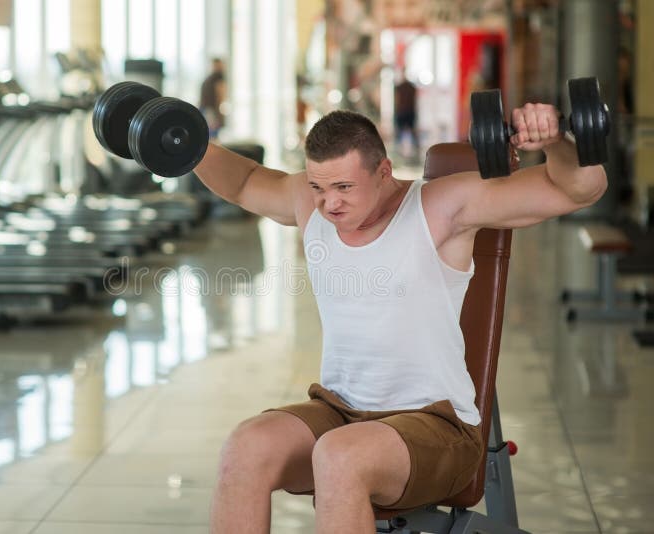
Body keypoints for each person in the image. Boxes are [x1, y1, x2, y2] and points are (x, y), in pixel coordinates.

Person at [193, 103, 607, 533]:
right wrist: (184, 142)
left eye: (344, 187)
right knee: (245, 448)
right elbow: (243, 182)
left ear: (384, 171)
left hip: (437, 426)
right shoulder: (310, 203)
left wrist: (557, 141)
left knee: (340, 457)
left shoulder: (442, 207)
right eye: (318, 186)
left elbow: (580, 189)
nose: (329, 203)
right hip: (341, 412)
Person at [393, 68, 419, 161]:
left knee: (402, 133)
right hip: (407, 111)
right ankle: (412, 151)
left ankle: (401, 152)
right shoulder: (410, 87)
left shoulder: (400, 87)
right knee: (406, 133)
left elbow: (397, 100)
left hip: (403, 111)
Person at [199, 58, 227, 140]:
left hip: (206, 110)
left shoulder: (209, 79)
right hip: (211, 111)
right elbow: (220, 96)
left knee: (209, 135)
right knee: (212, 137)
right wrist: (220, 115)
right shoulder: (218, 78)